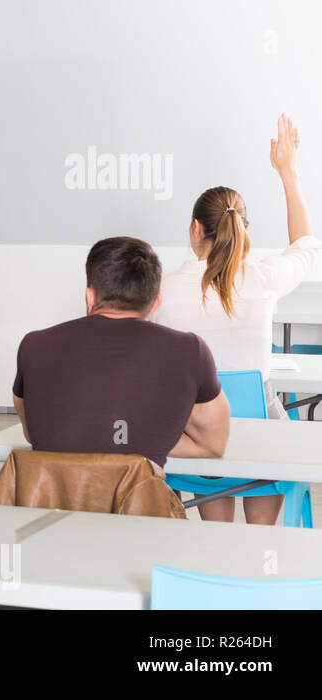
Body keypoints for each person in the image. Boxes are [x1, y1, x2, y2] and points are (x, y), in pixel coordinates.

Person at [153, 115, 318, 524]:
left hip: (201, 442)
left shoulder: (164, 291)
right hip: (258, 438)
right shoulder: (263, 279)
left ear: (195, 229)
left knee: (217, 536)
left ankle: (217, 568)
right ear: (244, 229)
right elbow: (306, 246)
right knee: (259, 535)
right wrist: (288, 173)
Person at [13, 237, 231, 468]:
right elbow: (212, 445)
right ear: (156, 302)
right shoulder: (190, 350)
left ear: (90, 297)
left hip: (51, 501)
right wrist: (146, 441)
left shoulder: (33, 345)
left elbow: (34, 432)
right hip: (138, 501)